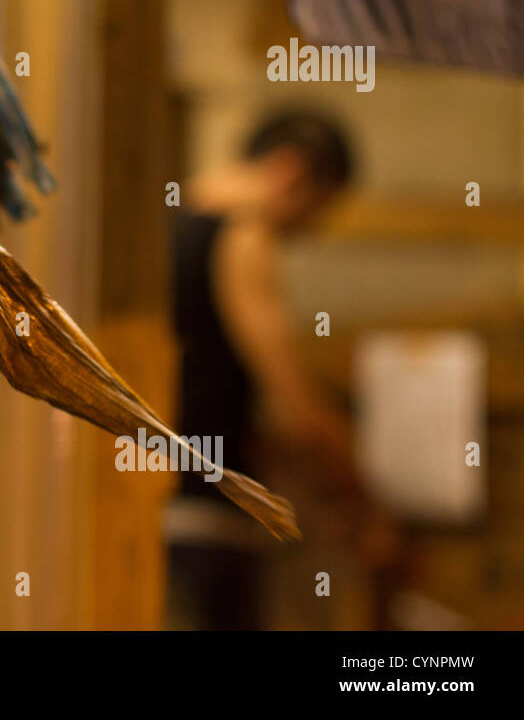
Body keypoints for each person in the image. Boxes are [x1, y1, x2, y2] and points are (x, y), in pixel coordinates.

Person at [165, 108, 394, 629]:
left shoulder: (162, 219)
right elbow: (295, 407)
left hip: (145, 503)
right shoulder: (244, 235)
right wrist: (367, 504)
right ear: (290, 172)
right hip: (206, 517)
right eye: (318, 210)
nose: (310, 231)